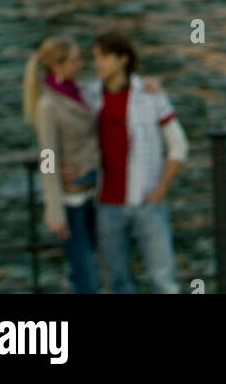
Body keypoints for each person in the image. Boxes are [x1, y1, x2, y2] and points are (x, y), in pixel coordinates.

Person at [80, 30, 188, 294]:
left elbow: (179, 145)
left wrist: (161, 188)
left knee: (163, 280)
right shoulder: (90, 96)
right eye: (96, 57)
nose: (98, 63)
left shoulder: (150, 95)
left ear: (123, 59)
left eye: (104, 57)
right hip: (106, 203)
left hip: (147, 202)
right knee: (116, 283)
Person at [23, 36, 102, 294]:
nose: (80, 64)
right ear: (57, 66)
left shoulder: (81, 92)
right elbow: (48, 158)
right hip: (72, 201)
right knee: (87, 276)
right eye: (74, 60)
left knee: (81, 272)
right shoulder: (48, 106)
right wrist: (54, 208)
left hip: (94, 193)